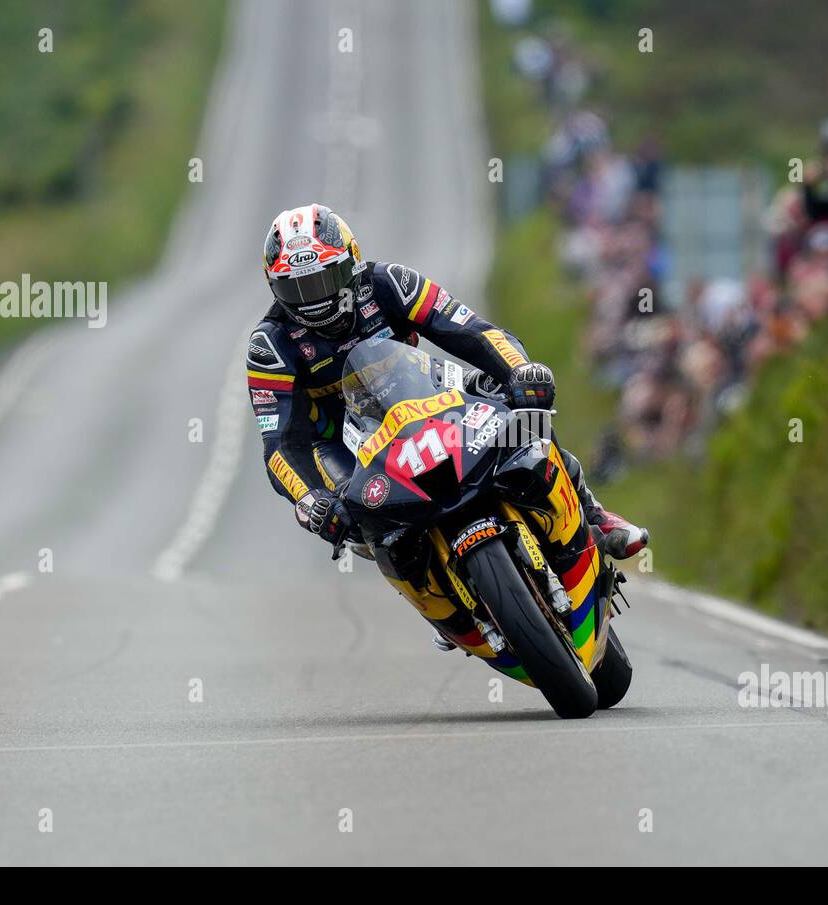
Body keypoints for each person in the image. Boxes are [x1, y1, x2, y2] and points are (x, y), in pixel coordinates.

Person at [248, 204, 649, 649]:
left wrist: (520, 371)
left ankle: (592, 515)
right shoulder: (271, 345)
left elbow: (472, 331)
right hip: (342, 442)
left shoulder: (389, 283)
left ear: (351, 261)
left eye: (322, 280)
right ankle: (444, 602)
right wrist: (311, 499)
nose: (314, 298)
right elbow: (279, 444)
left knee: (519, 406)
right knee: (356, 519)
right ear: (274, 287)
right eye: (296, 287)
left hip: (425, 393)